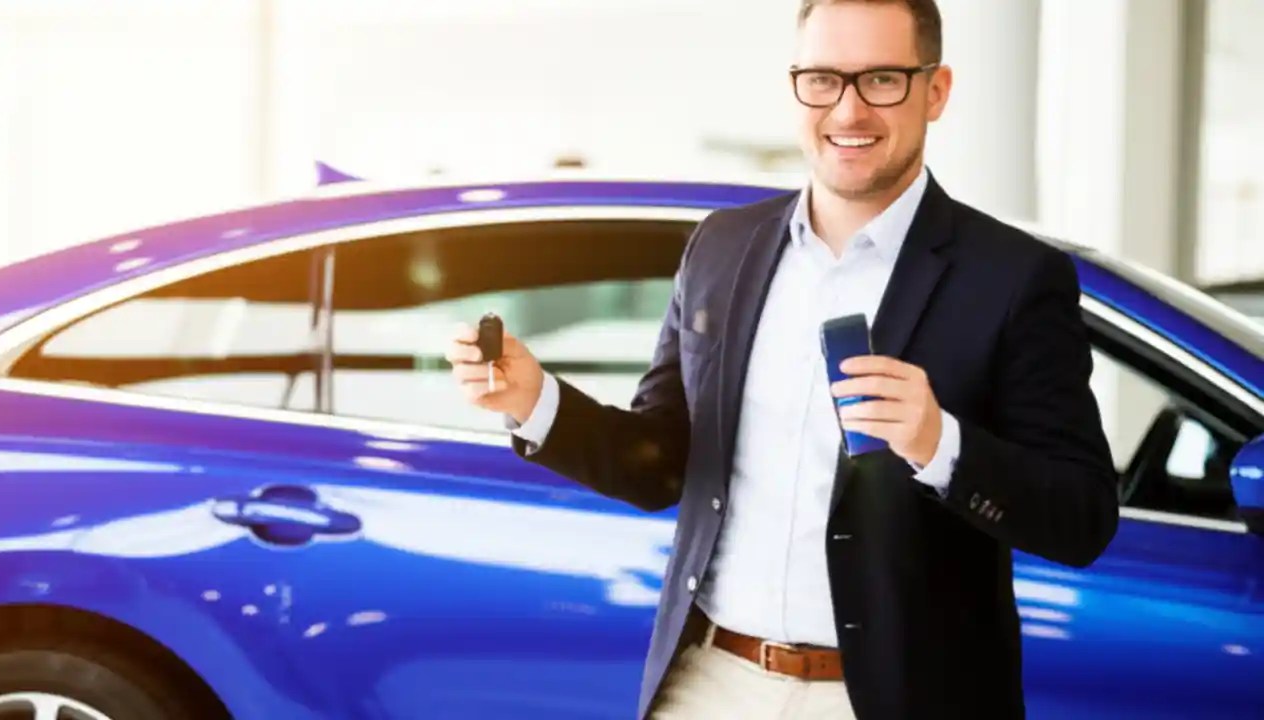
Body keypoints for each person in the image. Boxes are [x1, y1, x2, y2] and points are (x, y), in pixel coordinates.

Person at [446, 0, 1119, 717]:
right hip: (709, 681)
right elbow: (661, 464)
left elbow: (1081, 519)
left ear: (937, 90)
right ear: (796, 86)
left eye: (882, 80)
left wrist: (940, 443)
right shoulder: (722, 247)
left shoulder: (1012, 277)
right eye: (823, 80)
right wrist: (536, 402)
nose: (849, 110)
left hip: (889, 700)